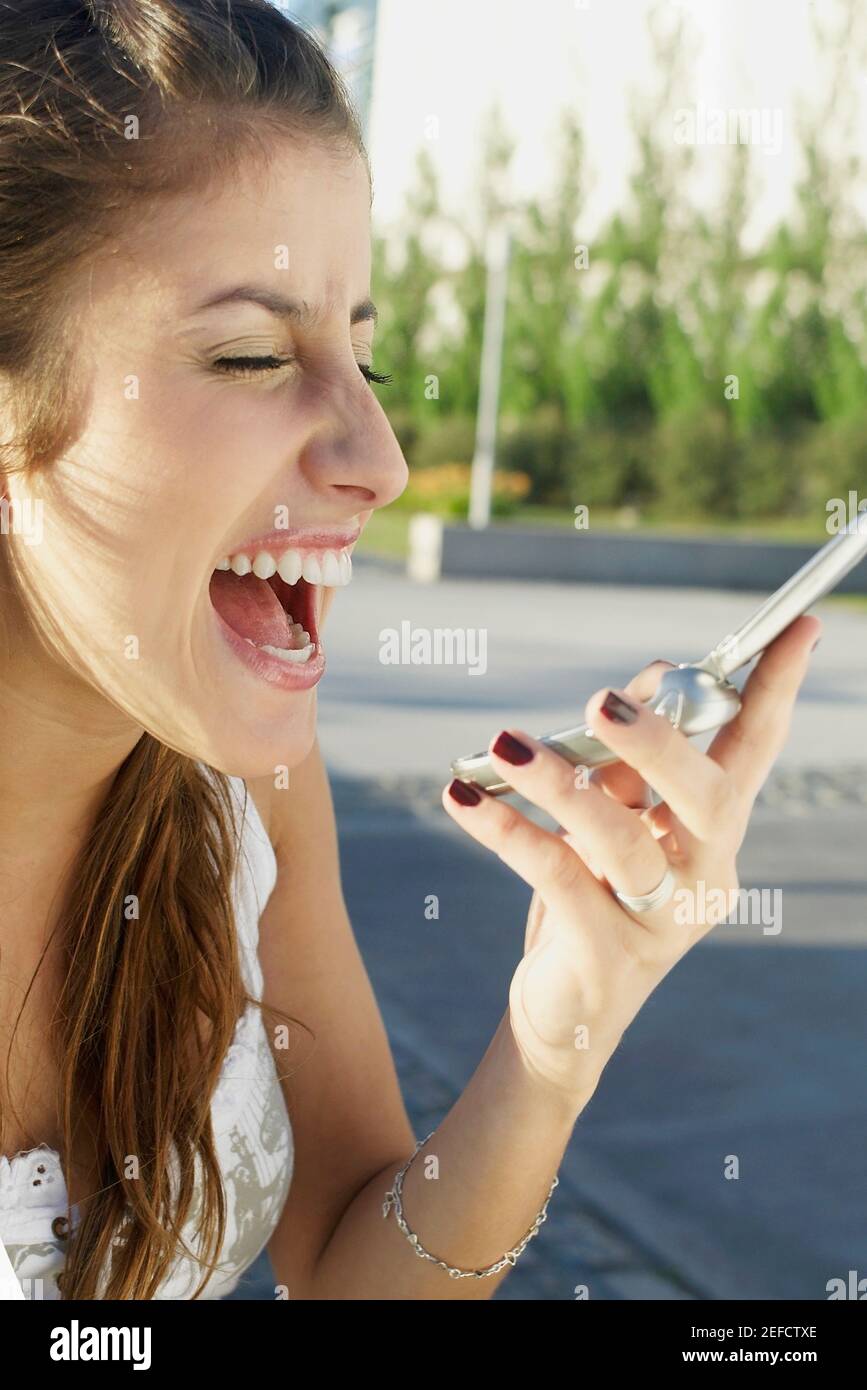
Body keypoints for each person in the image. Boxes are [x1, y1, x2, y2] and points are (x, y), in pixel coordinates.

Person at [0, 0, 820, 1301]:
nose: (378, 461)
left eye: (366, 362)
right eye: (251, 355)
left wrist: (556, 1041)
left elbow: (352, 1272)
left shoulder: (251, 796)